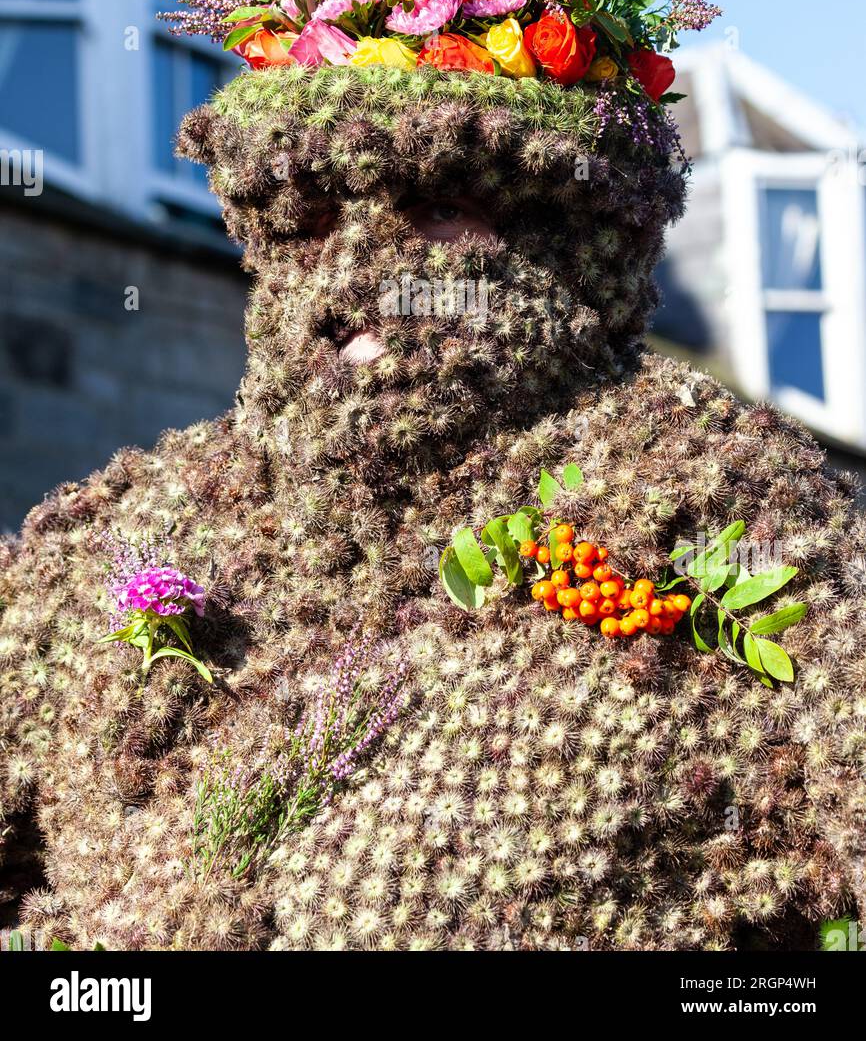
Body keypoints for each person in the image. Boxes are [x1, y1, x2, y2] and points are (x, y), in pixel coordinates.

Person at [1, 59, 864, 952]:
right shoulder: (120, 536)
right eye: (316, 222)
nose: (356, 276)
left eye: (437, 210)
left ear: (571, 246)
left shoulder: (715, 495)